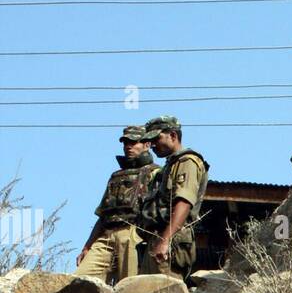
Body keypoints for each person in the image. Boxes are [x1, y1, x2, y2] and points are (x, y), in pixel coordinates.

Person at [76, 125, 158, 284]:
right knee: (80, 279)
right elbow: (103, 215)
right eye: (126, 142)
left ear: (147, 145)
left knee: (128, 286)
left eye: (134, 142)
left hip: (132, 234)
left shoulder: (155, 173)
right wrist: (87, 246)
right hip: (105, 236)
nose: (128, 146)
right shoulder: (116, 176)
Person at [137, 115, 209, 278]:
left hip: (171, 242)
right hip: (156, 239)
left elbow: (184, 203)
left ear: (173, 136)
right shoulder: (169, 166)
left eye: (156, 138)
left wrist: (165, 240)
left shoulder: (188, 161)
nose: (153, 145)